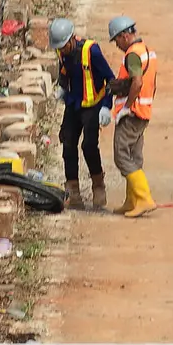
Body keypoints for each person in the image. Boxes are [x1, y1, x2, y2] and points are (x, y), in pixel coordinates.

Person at [50, 16, 114, 210]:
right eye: (58, 48)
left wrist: (106, 106)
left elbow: (110, 79)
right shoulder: (63, 53)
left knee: (88, 146)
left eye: (64, 46)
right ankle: (73, 190)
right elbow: (65, 73)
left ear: (72, 39)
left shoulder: (91, 51)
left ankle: (98, 184)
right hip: (74, 104)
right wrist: (61, 89)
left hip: (93, 106)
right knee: (68, 143)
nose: (61, 50)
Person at [107, 15, 157, 218]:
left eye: (117, 40)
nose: (117, 45)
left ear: (125, 35)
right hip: (143, 112)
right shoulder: (146, 51)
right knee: (134, 156)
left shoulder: (133, 55)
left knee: (122, 156)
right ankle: (132, 200)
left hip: (133, 113)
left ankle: (144, 199)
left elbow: (136, 83)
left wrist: (126, 107)